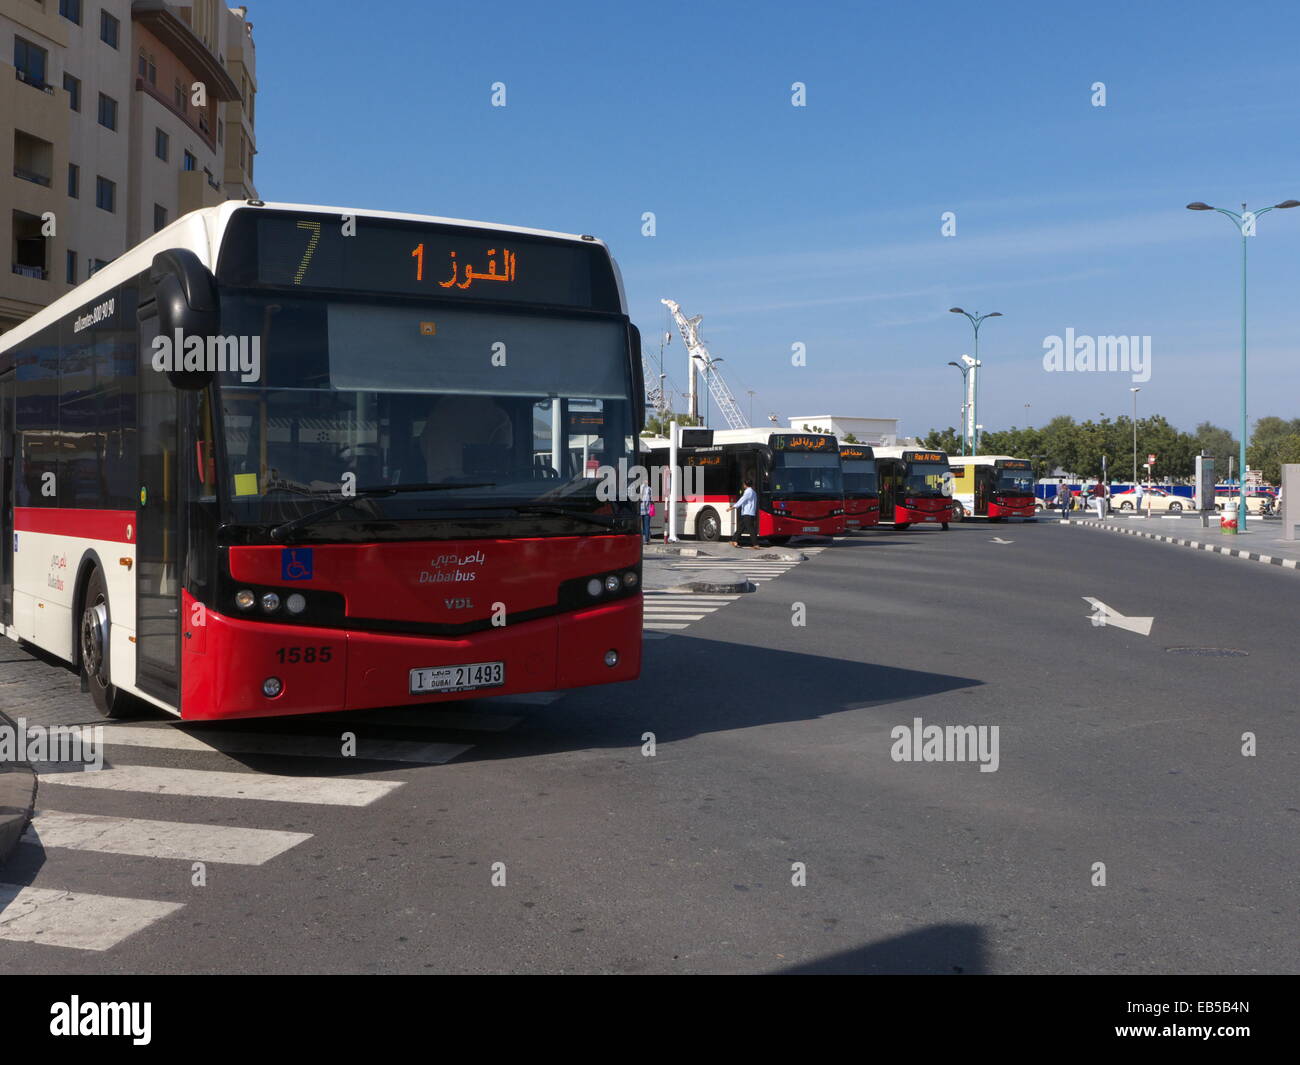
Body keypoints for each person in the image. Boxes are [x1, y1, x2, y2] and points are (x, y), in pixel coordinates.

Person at [731, 478, 759, 548]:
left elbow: (742, 500)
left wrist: (733, 507)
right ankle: (734, 541)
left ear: (746, 485)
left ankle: (755, 544)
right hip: (750, 513)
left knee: (750, 529)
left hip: (747, 513)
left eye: (744, 484)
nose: (743, 485)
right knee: (741, 528)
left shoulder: (748, 492)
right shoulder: (754, 492)